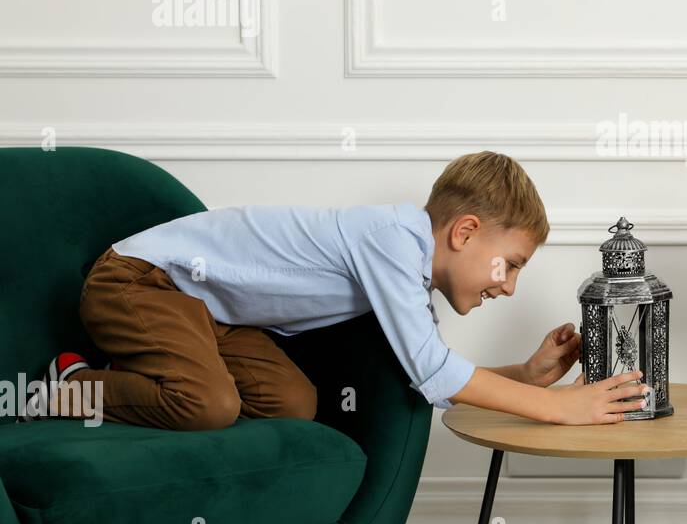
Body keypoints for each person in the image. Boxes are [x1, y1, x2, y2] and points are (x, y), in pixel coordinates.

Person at [20, 151, 648, 428]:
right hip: (140, 281)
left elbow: (424, 375)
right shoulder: (391, 241)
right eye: (508, 265)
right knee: (209, 405)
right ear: (465, 232)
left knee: (293, 401)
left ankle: (154, 368)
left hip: (209, 315)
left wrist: (528, 375)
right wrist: (561, 407)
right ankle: (69, 387)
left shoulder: (404, 272)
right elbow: (434, 372)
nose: (507, 287)